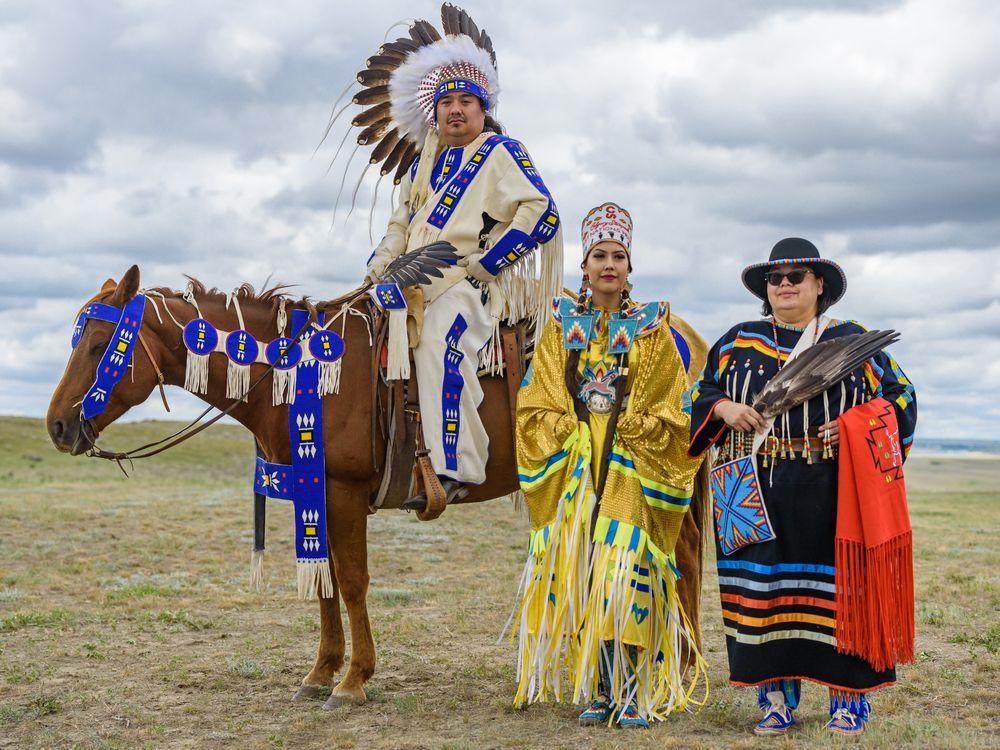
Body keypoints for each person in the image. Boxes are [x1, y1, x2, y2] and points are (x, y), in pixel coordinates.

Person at [688, 237, 917, 736]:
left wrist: (858, 423)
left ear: (820, 285)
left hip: (836, 484)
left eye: (796, 276)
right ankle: (774, 700)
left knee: (841, 589)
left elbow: (902, 398)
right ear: (765, 290)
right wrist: (722, 408)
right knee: (765, 593)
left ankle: (848, 699)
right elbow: (700, 393)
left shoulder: (850, 341)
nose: (785, 284)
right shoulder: (736, 342)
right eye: (776, 278)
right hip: (754, 485)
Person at [511, 203, 706, 728]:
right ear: (585, 265)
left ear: (629, 267)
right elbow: (536, 401)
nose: (609, 264)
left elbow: (673, 405)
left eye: (618, 255)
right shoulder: (560, 326)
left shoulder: (651, 329)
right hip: (579, 467)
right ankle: (600, 687)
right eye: (599, 255)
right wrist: (570, 434)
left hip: (631, 467)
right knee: (587, 573)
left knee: (629, 576)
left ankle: (636, 690)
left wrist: (633, 431)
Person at [362, 21, 563, 503]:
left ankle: (458, 467)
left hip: (464, 285)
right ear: (435, 113)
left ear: (482, 109)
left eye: (466, 102)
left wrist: (487, 266)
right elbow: (401, 224)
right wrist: (377, 266)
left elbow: (543, 213)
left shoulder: (499, 153)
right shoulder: (422, 166)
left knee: (437, 341)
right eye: (447, 103)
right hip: (406, 281)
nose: (455, 109)